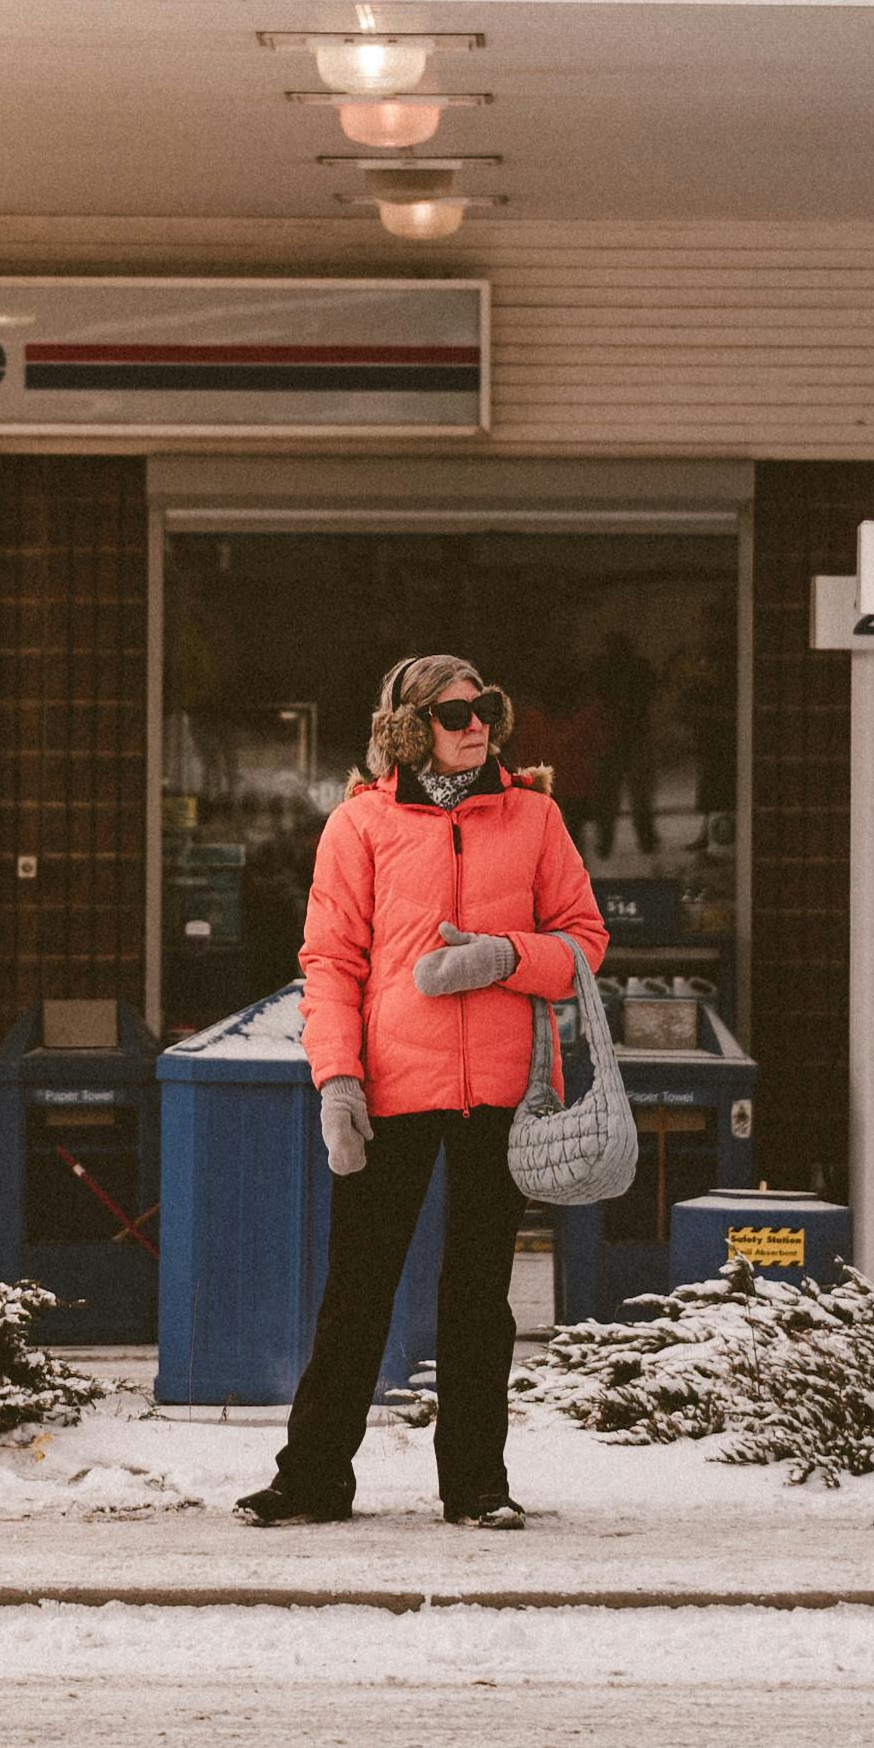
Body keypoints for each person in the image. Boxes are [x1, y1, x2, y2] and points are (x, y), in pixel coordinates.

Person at [239, 654, 610, 1531]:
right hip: (392, 1088)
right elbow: (329, 963)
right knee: (358, 1288)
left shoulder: (535, 816)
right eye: (453, 713)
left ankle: (476, 1484)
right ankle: (313, 1477)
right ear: (408, 729)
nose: (475, 722)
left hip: (503, 1092)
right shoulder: (358, 826)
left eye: (484, 706)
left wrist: (505, 957)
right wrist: (336, 1081)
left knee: (479, 1296)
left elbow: (585, 940)